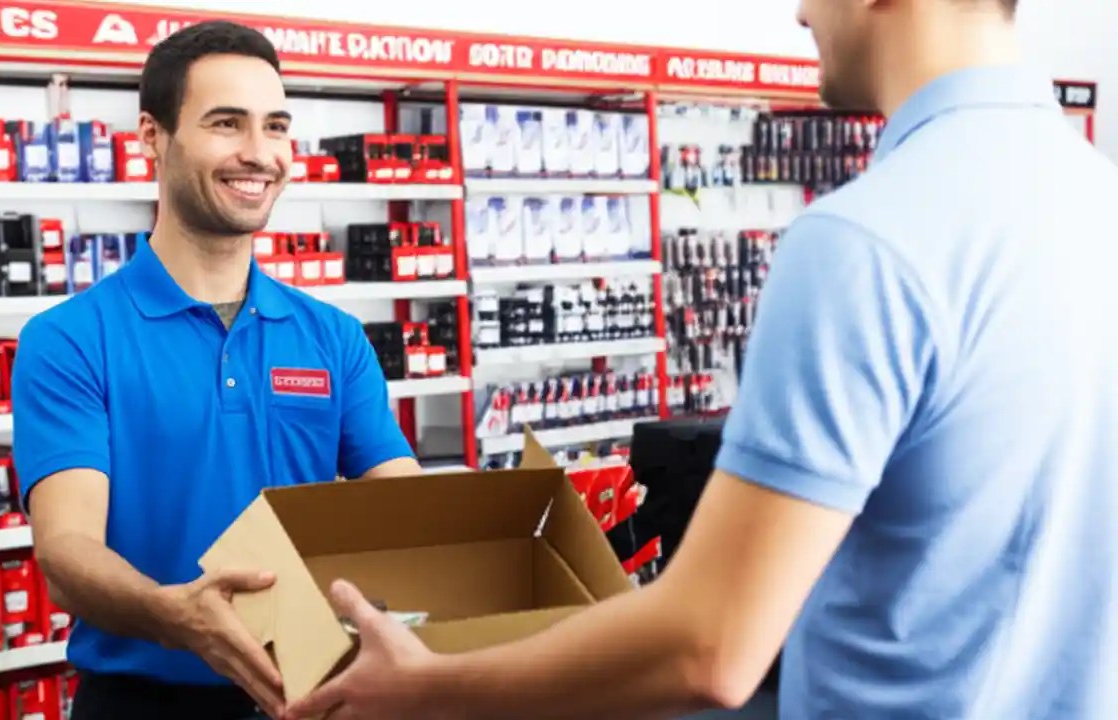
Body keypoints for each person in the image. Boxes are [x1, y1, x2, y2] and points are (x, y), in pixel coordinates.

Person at [285, 0, 1118, 718]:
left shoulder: (864, 240)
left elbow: (711, 646)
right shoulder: (1094, 197)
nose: (799, 15)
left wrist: (430, 688)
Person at [11, 20, 421, 720]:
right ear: (152, 136)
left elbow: (405, 506)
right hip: (142, 703)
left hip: (314, 690)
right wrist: (178, 615)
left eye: (276, 126)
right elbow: (66, 551)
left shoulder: (333, 338)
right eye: (227, 124)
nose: (259, 154)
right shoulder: (71, 340)